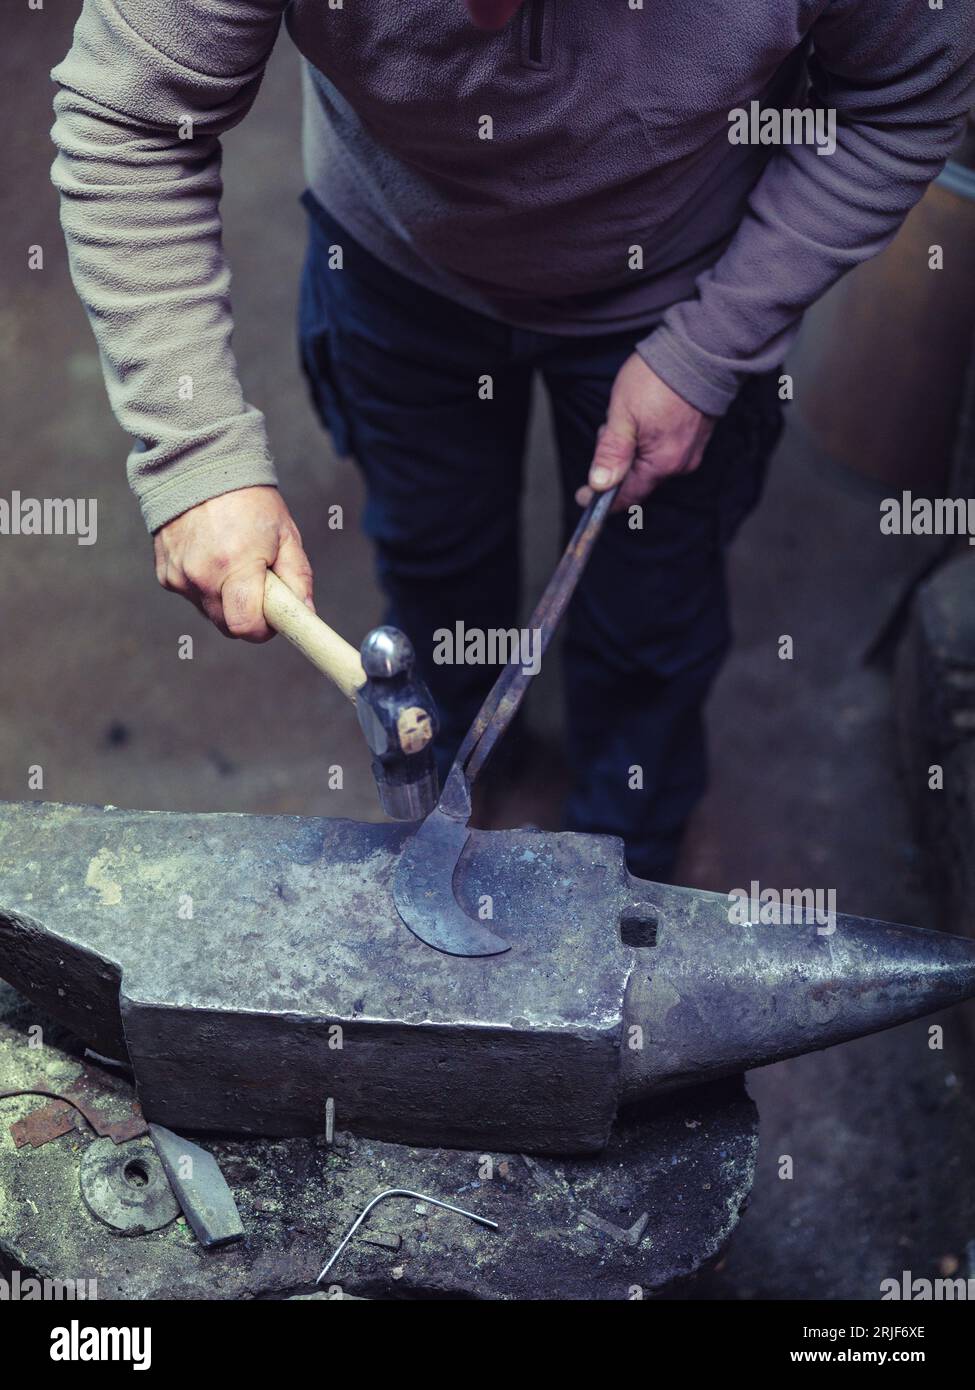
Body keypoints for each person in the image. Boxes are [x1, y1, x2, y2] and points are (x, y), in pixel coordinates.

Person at [51, 0, 974, 878]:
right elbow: (127, 119)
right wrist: (194, 450)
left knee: (651, 619)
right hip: (390, 260)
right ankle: (440, 773)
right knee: (433, 558)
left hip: (685, 283)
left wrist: (713, 345)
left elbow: (905, 104)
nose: (480, 19)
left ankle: (630, 861)